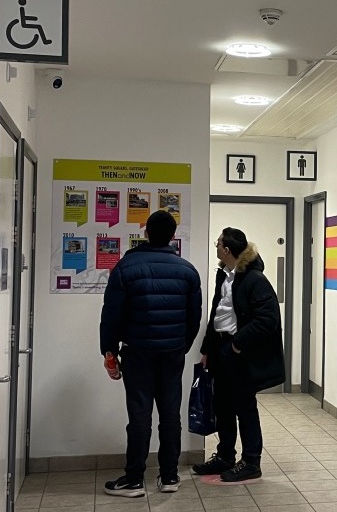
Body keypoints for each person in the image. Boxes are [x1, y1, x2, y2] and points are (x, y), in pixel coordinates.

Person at [99, 210, 203, 498]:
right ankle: (169, 477)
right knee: (171, 415)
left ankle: (133, 480)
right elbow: (194, 319)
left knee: (140, 416)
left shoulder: (125, 268)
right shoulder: (187, 271)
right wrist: (181, 345)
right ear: (173, 236)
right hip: (172, 353)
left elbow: (111, 316)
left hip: (137, 353)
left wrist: (109, 349)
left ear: (145, 233)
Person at [193, 227, 286, 483]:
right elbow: (217, 314)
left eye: (218, 243)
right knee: (222, 406)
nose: (216, 247)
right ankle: (225, 456)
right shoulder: (224, 275)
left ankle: (251, 461)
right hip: (221, 350)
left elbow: (269, 319)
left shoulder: (254, 280)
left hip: (240, 353)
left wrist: (238, 344)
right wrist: (207, 349)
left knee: (244, 408)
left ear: (227, 250)